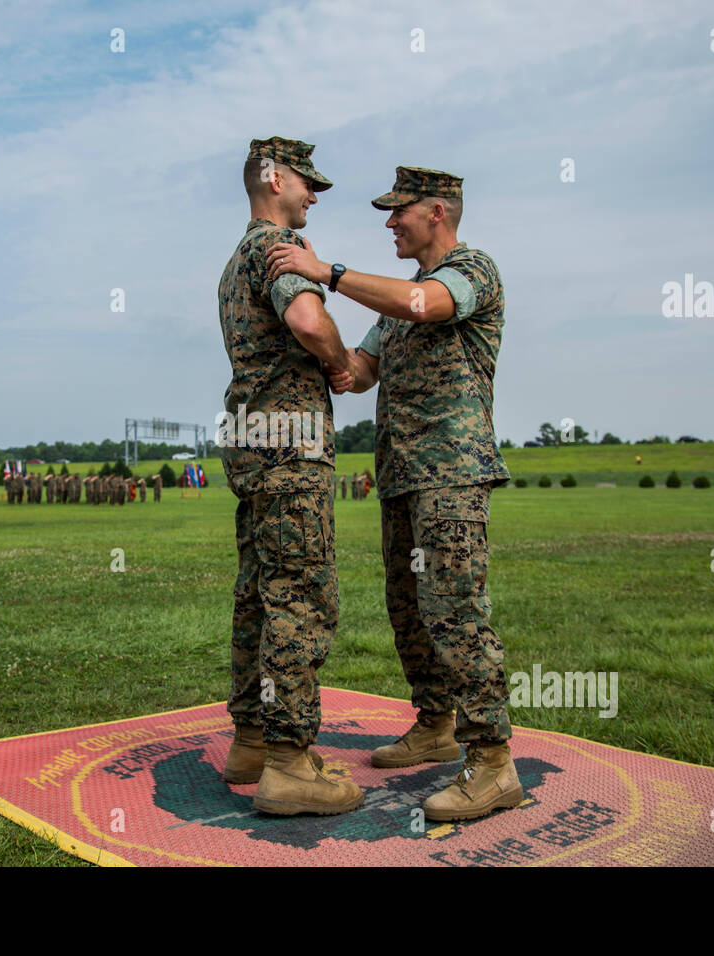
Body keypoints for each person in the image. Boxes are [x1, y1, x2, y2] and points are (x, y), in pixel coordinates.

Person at [267, 165, 521, 822]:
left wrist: (327, 273)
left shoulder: (470, 272)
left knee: (456, 614)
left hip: (452, 476)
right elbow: (358, 370)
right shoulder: (398, 300)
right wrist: (309, 340)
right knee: (409, 611)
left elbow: (425, 306)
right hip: (404, 478)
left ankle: (493, 762)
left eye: (398, 211)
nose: (389, 222)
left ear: (437, 211)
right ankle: (435, 723)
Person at [217, 136, 361, 815]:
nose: (314, 196)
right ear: (274, 180)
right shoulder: (276, 252)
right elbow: (307, 319)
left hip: (252, 441)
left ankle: (251, 738)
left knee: (258, 593)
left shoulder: (233, 259)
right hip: (290, 442)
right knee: (300, 597)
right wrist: (337, 359)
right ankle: (289, 763)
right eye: (308, 184)